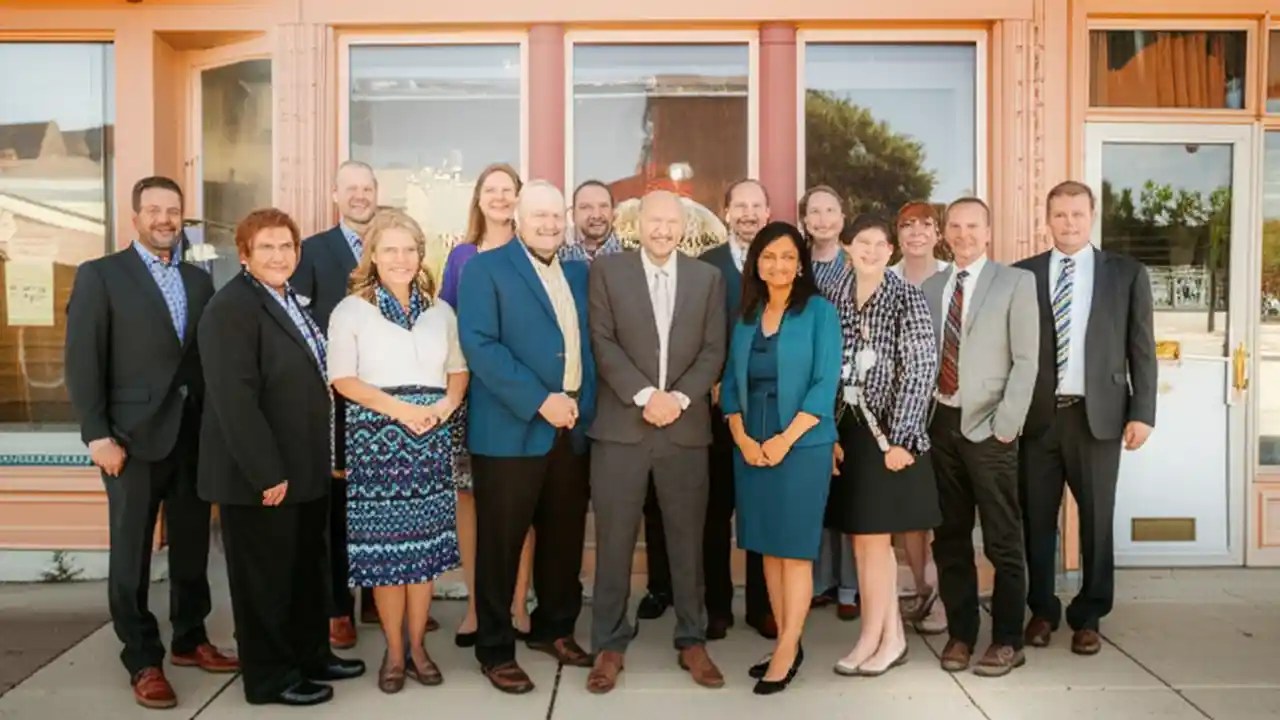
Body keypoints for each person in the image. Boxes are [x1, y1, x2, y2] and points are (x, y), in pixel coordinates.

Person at [64, 176, 232, 710]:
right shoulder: (101, 276)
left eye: (173, 210)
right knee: (131, 551)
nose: (164, 218)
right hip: (129, 440)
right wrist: (96, 433)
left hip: (190, 436)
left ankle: (190, 637)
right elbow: (83, 359)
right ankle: (142, 657)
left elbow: (201, 360)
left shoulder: (198, 280)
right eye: (154, 209)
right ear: (134, 216)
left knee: (190, 546)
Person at [198, 209, 366, 706]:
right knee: (266, 582)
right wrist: (265, 472)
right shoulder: (232, 308)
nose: (278, 255)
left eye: (286, 246)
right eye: (266, 247)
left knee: (305, 572)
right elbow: (234, 399)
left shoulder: (290, 299)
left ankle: (312, 657)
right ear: (245, 255)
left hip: (306, 466)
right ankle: (271, 678)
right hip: (262, 475)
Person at [584, 190, 728, 694]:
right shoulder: (609, 271)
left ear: (683, 226)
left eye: (671, 222)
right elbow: (601, 341)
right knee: (615, 541)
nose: (663, 229)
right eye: (655, 221)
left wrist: (679, 400)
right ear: (637, 224)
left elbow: (714, 350)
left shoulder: (707, 279)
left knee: (687, 540)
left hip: (684, 431)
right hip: (622, 429)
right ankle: (608, 643)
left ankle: (691, 638)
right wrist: (646, 395)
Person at [456, 180, 595, 693]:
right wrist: (541, 400)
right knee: (501, 544)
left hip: (570, 431)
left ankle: (554, 628)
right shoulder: (484, 269)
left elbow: (591, 345)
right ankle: (494, 648)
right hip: (512, 431)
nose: (550, 223)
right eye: (539, 215)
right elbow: (480, 345)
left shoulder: (580, 273)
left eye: (557, 216)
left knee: (562, 541)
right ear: (517, 215)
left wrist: (585, 409)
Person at [327, 210, 468, 692]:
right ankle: (392, 651)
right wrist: (401, 411)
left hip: (430, 439)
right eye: (389, 249)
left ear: (420, 254)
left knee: (423, 555)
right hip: (377, 442)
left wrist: (446, 406)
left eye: (409, 249)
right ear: (373, 256)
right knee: (387, 556)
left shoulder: (439, 311)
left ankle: (420, 647)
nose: (400, 258)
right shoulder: (351, 310)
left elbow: (458, 368)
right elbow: (343, 379)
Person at [1015, 181, 1156, 655]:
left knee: (1097, 520)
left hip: (1099, 418)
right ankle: (1041, 609)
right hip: (1038, 420)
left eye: (1077, 214)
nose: (1069, 223)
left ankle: (1089, 614)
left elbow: (1142, 348)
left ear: (1091, 215)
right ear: (1047, 218)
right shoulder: (1023, 275)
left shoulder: (1126, 273)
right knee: (1036, 520)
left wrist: (1143, 413)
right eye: (1060, 214)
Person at [642, 178, 775, 640]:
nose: (749, 214)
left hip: (766, 410)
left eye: (757, 206)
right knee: (713, 513)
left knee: (760, 509)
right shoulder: (704, 266)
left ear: (768, 210)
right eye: (740, 206)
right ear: (726, 211)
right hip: (713, 408)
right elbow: (692, 336)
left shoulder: (780, 263)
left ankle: (762, 605)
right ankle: (717, 605)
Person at [722, 221, 842, 695]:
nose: (778, 265)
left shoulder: (819, 312)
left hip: (802, 444)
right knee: (768, 547)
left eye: (788, 257)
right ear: (757, 262)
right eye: (769, 256)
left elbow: (823, 384)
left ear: (800, 264)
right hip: (752, 443)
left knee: (794, 551)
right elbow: (731, 383)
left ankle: (789, 647)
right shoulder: (747, 314)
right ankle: (784, 640)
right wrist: (744, 437)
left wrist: (784, 440)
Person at [922, 197, 1039, 677]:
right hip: (941, 425)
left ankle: (1008, 638)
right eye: (956, 226)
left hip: (991, 428)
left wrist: (1006, 426)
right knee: (949, 538)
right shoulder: (930, 286)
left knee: (1002, 539)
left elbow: (1027, 361)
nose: (964, 234)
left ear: (988, 232)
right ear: (945, 232)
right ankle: (961, 634)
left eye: (973, 226)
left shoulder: (1015, 282)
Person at [828, 215, 941, 677]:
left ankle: (880, 638)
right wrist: (829, 434)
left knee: (877, 541)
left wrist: (903, 438)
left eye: (879, 243)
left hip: (889, 436)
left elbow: (920, 368)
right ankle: (881, 636)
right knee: (862, 541)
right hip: (847, 433)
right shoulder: (833, 298)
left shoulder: (906, 297)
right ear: (846, 247)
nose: (871, 250)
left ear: (891, 250)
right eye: (862, 242)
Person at [437, 162, 535, 646]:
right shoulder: (461, 258)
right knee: (471, 500)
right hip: (472, 398)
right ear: (478, 199)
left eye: (507, 189)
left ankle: (517, 603)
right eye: (490, 190)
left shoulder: (533, 249)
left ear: (520, 197)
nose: (499, 197)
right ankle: (477, 605)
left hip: (524, 395)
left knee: (521, 500)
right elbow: (448, 327)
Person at [290, 159, 382, 646]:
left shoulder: (392, 244)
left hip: (386, 398)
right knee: (339, 509)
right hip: (335, 400)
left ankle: (379, 601)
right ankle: (337, 606)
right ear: (335, 195)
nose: (360, 196)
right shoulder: (312, 251)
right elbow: (301, 326)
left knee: (379, 501)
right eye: (351, 189)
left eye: (367, 188)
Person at [890, 200, 951, 635]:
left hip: (947, 407)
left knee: (947, 508)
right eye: (907, 225)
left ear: (938, 232)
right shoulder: (886, 278)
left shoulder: (953, 277)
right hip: (900, 413)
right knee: (910, 510)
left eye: (925, 225)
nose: (916, 233)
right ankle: (922, 586)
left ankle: (946, 597)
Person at [799, 185, 859, 622]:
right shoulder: (794, 263)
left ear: (843, 216)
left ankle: (850, 587)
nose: (822, 219)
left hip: (850, 392)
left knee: (851, 492)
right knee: (815, 490)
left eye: (830, 210)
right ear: (804, 219)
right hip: (804, 388)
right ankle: (820, 581)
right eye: (814, 211)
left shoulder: (857, 262)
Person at [560, 179, 625, 263]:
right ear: (573, 214)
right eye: (586, 207)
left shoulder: (632, 257)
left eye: (603, 206)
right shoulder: (557, 257)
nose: (596, 215)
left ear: (613, 212)